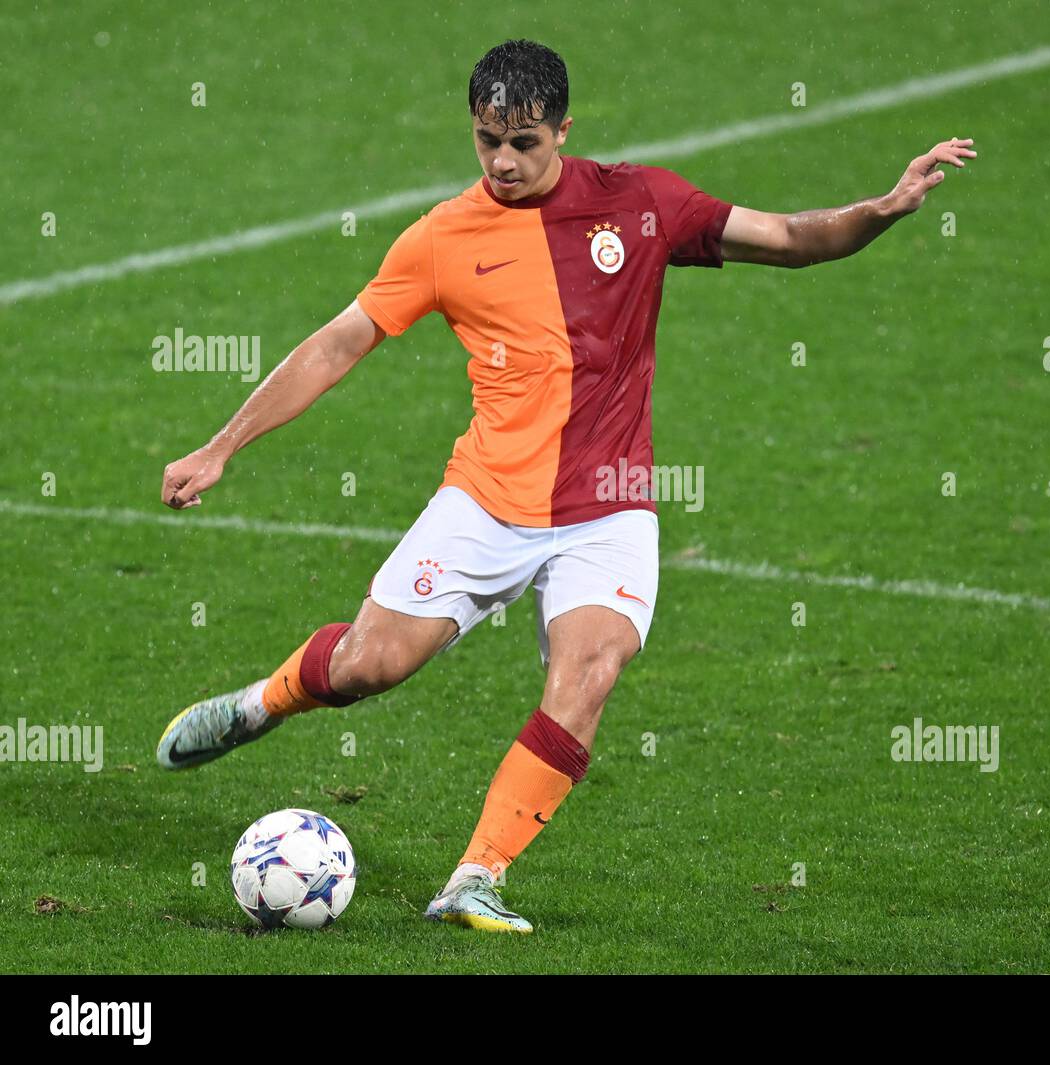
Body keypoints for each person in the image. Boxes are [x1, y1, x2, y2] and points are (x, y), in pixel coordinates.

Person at [156, 38, 976, 933]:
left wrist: (886, 208)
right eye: (485, 141)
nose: (503, 162)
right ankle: (259, 703)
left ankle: (475, 875)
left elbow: (789, 237)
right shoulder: (442, 237)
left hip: (609, 508)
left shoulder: (643, 203)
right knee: (366, 667)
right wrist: (223, 444)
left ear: (563, 130)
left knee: (590, 670)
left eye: (524, 142)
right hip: (486, 501)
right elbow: (337, 342)